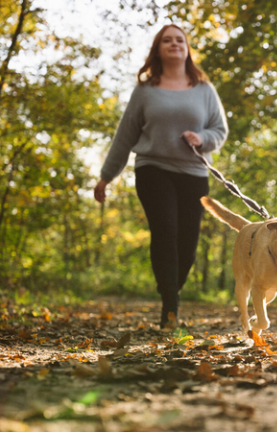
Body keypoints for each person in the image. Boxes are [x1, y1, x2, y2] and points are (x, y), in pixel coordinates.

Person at [94, 24, 228, 328]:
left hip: (194, 172)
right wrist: (106, 176)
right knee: (166, 231)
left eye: (179, 40)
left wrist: (202, 138)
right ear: (158, 48)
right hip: (153, 169)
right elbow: (125, 136)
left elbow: (220, 130)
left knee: (188, 246)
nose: (174, 44)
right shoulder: (146, 89)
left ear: (187, 47)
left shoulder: (204, 89)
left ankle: (170, 289)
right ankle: (170, 305)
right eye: (166, 40)